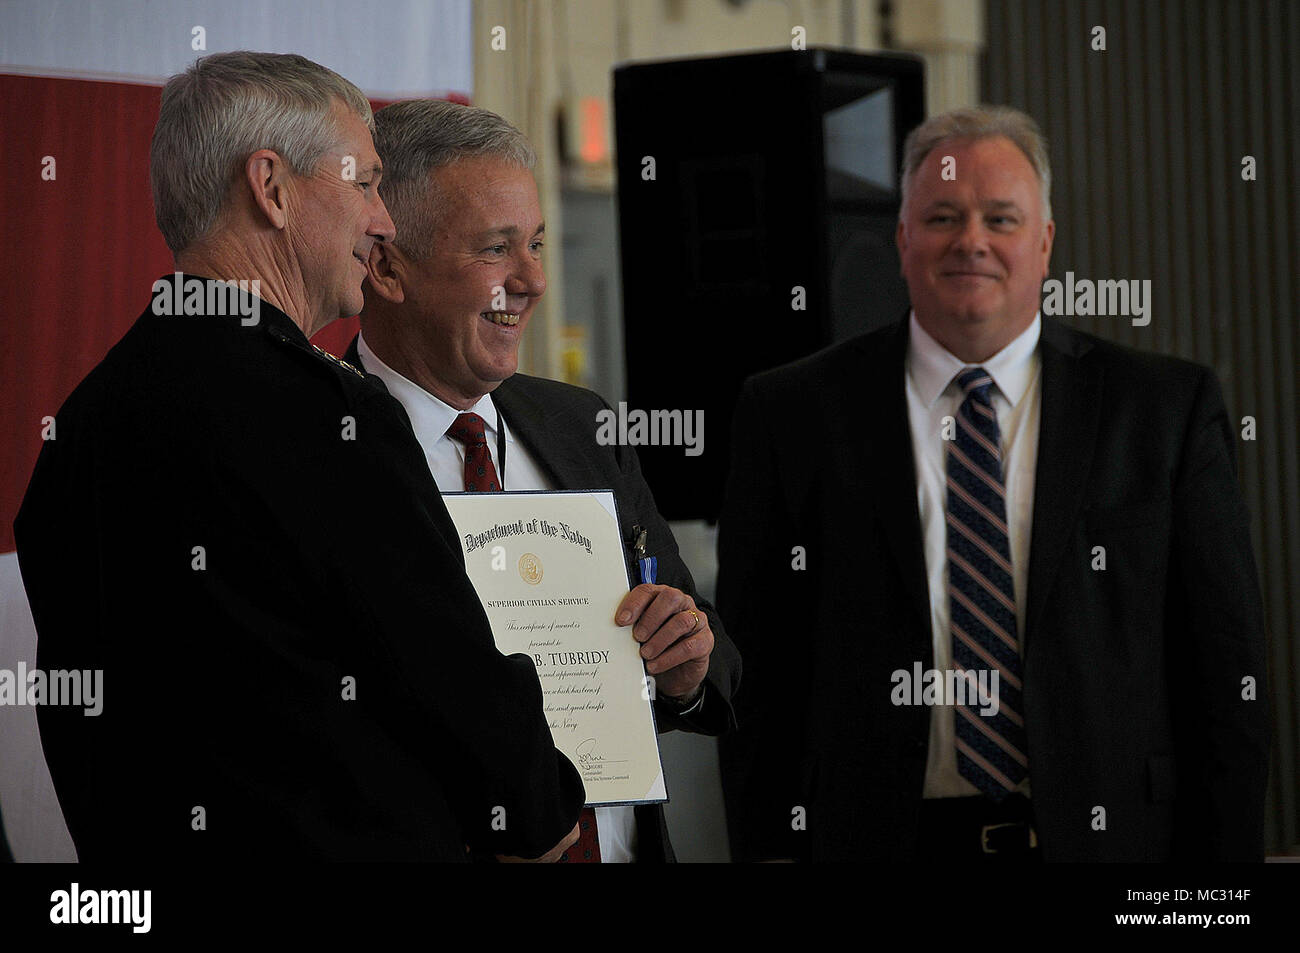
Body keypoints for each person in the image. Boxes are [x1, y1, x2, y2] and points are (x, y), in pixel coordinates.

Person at [15, 52, 583, 862]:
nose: (382, 221)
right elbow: (453, 686)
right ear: (271, 188)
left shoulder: (80, 427)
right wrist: (546, 806)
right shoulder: (332, 418)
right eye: (365, 184)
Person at [716, 105, 1270, 862]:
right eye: (942, 216)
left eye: (1000, 218)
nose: (970, 240)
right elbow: (759, 676)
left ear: (1044, 243)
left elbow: (1225, 675)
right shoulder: (790, 413)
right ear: (903, 238)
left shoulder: (1164, 412)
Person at [350, 99, 741, 862]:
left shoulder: (583, 425)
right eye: (497, 249)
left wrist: (685, 664)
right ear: (388, 265)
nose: (532, 279)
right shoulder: (320, 446)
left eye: (534, 243)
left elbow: (716, 654)